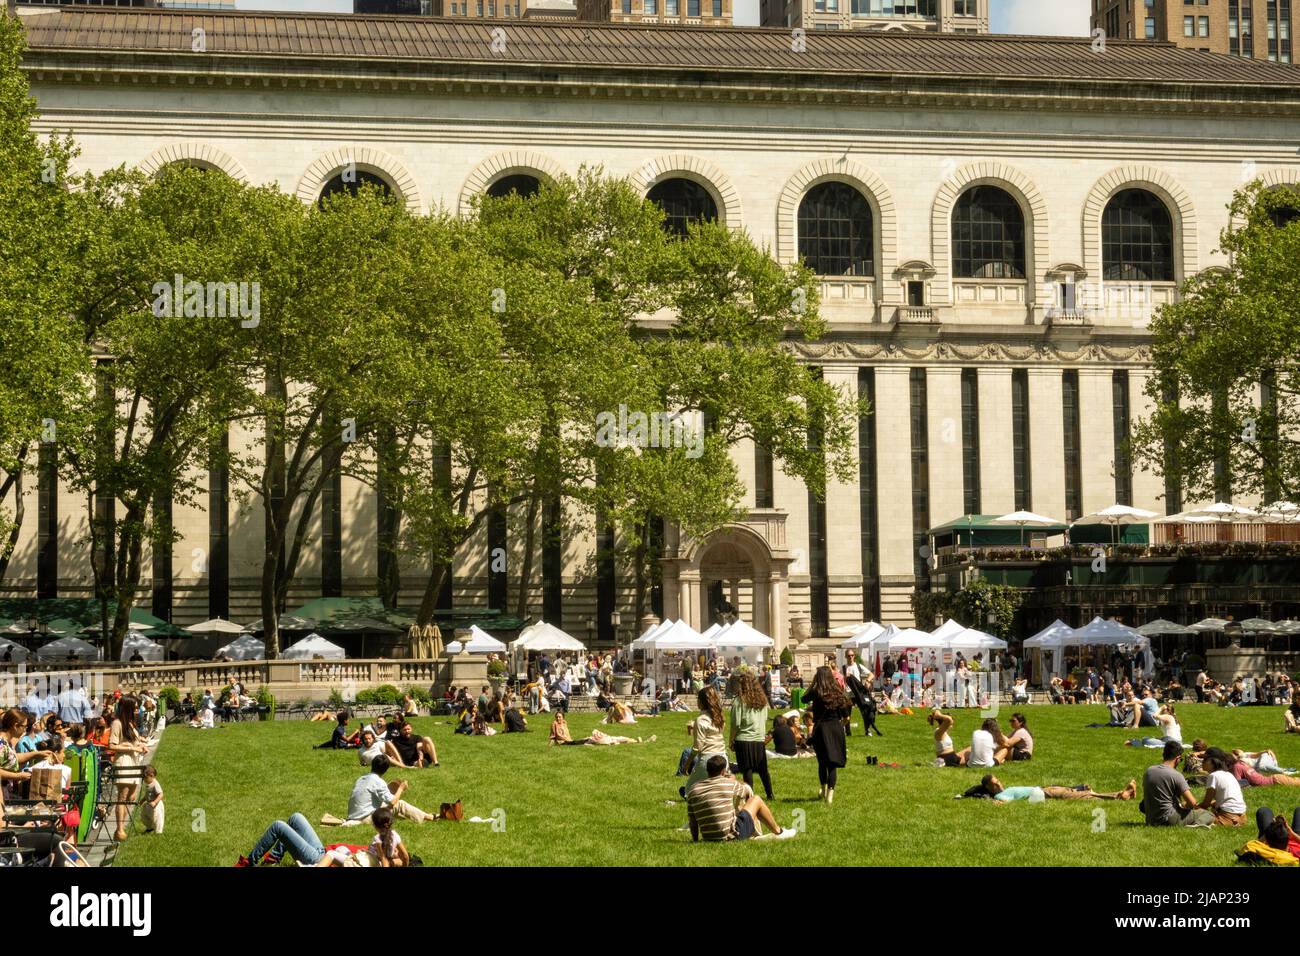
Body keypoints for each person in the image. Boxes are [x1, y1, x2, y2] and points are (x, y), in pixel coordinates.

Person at [685, 755, 797, 842]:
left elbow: (692, 820)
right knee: (756, 799)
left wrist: (695, 840)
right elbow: (746, 791)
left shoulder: (694, 789)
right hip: (732, 836)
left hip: (708, 837)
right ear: (723, 771)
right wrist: (734, 780)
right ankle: (779, 832)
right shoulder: (729, 784)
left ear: (707, 771)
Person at [803, 665, 852, 804]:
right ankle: (830, 795)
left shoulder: (815, 691)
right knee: (832, 764)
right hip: (835, 728)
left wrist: (813, 684)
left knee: (822, 761)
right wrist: (839, 727)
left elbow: (803, 699)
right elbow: (846, 717)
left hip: (820, 729)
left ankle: (823, 789)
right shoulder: (838, 692)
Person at [108, 696, 150, 842]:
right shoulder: (117, 723)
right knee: (123, 797)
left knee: (131, 796)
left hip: (133, 761)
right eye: (135, 707)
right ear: (128, 708)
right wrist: (131, 747)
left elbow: (133, 741)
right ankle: (119, 829)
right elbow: (112, 746)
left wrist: (141, 744)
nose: (138, 710)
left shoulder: (130, 723)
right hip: (123, 762)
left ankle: (121, 828)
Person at [344, 755, 433, 825]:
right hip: (366, 818)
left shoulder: (361, 778)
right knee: (400, 804)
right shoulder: (378, 781)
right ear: (386, 769)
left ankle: (421, 816)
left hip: (353, 816)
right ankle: (430, 817)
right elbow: (393, 802)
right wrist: (401, 788)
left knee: (387, 805)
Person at [1141, 741, 1212, 826]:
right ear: (1178, 758)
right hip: (1168, 819)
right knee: (1208, 814)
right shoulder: (1176, 775)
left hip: (1151, 819)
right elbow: (1192, 802)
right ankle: (1197, 825)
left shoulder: (1149, 771)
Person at [729, 671, 773, 801]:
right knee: (763, 770)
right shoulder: (763, 700)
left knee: (747, 770)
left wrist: (731, 740)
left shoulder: (739, 701)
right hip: (759, 739)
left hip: (743, 739)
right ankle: (770, 794)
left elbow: (735, 724)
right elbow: (764, 719)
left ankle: (750, 797)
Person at [238, 813, 330, 866]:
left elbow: (335, 857)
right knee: (296, 818)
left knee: (277, 826)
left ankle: (247, 863)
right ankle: (273, 858)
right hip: (323, 852)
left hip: (321, 860)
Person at [969, 774, 1136, 802]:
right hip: (1046, 794)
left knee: (1083, 795)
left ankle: (1122, 795)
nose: (999, 784)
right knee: (1086, 796)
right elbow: (1002, 803)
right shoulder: (999, 796)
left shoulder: (1002, 792)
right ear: (989, 788)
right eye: (995, 784)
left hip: (1046, 789)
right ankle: (1121, 795)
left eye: (998, 781)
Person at [683, 686, 727, 788]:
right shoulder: (720, 717)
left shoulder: (701, 720)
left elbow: (697, 747)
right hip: (722, 757)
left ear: (701, 702)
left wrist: (687, 764)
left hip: (708, 760)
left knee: (689, 791)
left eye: (697, 699)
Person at [1199, 748, 1248, 827]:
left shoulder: (1213, 776)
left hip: (1227, 818)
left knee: (1195, 815)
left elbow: (1205, 804)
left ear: (1213, 761)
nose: (1202, 762)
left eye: (1205, 759)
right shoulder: (1228, 774)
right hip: (1242, 817)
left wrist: (1194, 806)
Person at [140, 765, 165, 834]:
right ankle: (149, 828)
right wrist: (142, 800)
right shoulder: (148, 783)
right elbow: (147, 794)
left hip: (156, 805)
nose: (144, 780)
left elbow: (161, 794)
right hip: (148, 804)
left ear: (152, 775)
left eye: (145, 778)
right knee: (144, 816)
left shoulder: (155, 784)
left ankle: (158, 832)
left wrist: (155, 802)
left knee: (157, 818)